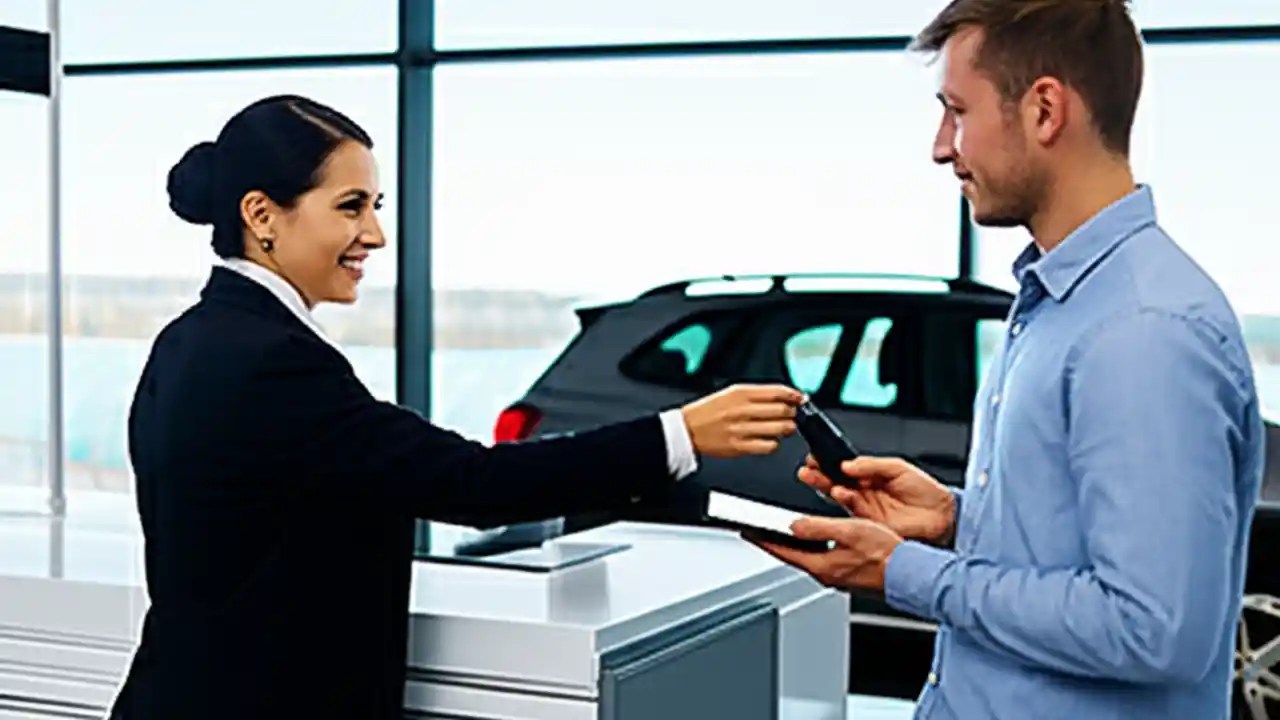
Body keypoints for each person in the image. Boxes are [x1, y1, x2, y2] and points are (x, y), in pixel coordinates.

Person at [107, 94, 805, 720]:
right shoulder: (271, 360)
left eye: (375, 208)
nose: (375, 236)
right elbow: (474, 483)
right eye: (350, 207)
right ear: (262, 215)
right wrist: (679, 434)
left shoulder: (189, 340)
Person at [749, 1, 1265, 718]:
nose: (939, 146)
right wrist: (959, 521)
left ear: (1045, 110)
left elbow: (1152, 629)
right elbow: (1075, 551)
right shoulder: (1062, 303)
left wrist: (903, 572)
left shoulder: (1145, 331)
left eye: (956, 110)